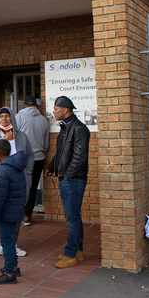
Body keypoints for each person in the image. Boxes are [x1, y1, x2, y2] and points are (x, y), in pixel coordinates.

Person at [46, 96, 90, 270]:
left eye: (56, 108)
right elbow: (61, 153)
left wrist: (67, 175)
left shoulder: (79, 129)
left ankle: (70, 254)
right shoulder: (65, 127)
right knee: (74, 216)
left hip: (73, 180)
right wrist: (52, 166)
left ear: (65, 110)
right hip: (67, 178)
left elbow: (79, 157)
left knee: (72, 218)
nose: (54, 111)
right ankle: (78, 250)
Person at [0, 107, 33, 258]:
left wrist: (28, 171)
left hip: (19, 178)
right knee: (2, 210)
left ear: (12, 118)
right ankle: (2, 243)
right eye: (1, 116)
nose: (5, 119)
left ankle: (12, 244)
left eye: (7, 116)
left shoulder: (22, 136)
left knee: (17, 211)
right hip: (0, 176)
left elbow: (29, 155)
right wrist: (5, 141)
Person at [0, 140, 27, 285]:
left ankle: (9, 272)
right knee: (11, 240)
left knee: (7, 242)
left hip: (6, 213)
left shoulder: (3, 170)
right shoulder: (17, 167)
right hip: (16, 210)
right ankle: (13, 266)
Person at [16, 96, 50, 225]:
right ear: (36, 105)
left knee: (22, 186)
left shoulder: (19, 117)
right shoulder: (44, 120)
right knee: (33, 187)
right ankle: (27, 215)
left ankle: (19, 214)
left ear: (25, 104)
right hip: (39, 158)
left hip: (24, 157)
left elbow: (14, 136)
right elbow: (46, 145)